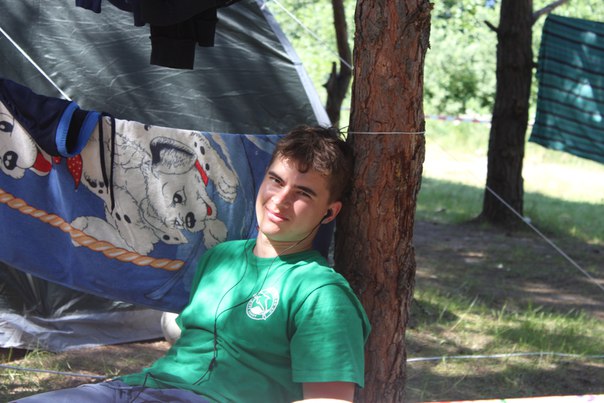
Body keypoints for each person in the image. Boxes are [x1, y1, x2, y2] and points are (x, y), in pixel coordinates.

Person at [13, 125, 371, 403]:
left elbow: (329, 400)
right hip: (138, 388)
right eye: (276, 181)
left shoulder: (321, 294)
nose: (280, 200)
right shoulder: (221, 257)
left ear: (329, 212)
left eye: (303, 193)